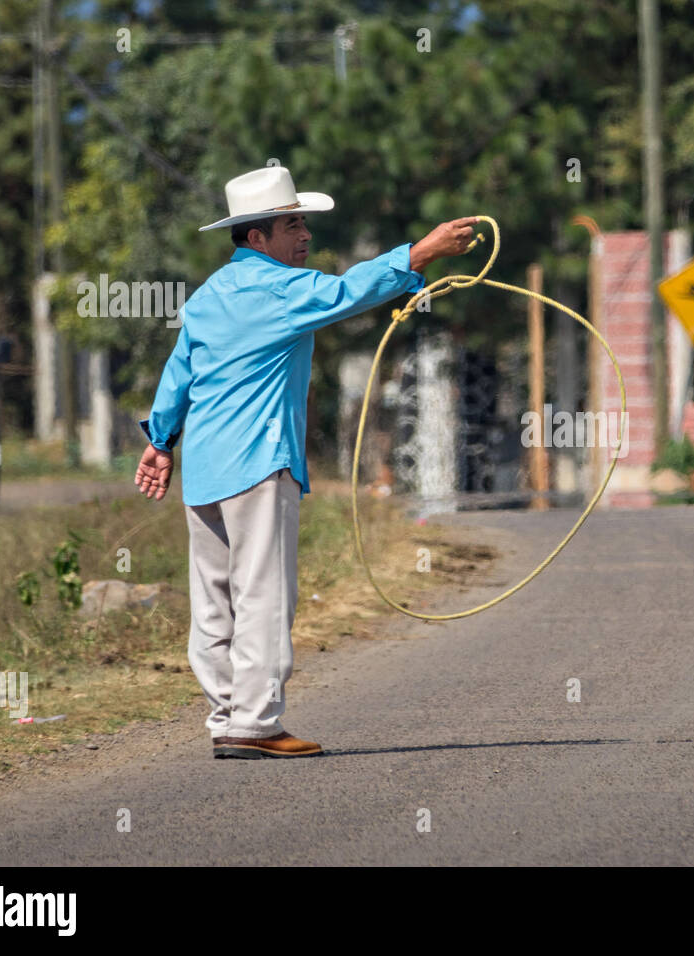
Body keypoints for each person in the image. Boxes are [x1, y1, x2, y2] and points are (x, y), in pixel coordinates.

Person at [134, 165, 477, 758]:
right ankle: (256, 724)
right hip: (260, 465)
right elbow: (350, 292)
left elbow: (179, 374)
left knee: (215, 603)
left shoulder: (208, 296)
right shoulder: (281, 291)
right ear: (257, 236)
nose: (305, 236)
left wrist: (161, 442)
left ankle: (226, 716)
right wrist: (422, 252)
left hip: (206, 473)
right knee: (263, 596)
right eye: (292, 224)